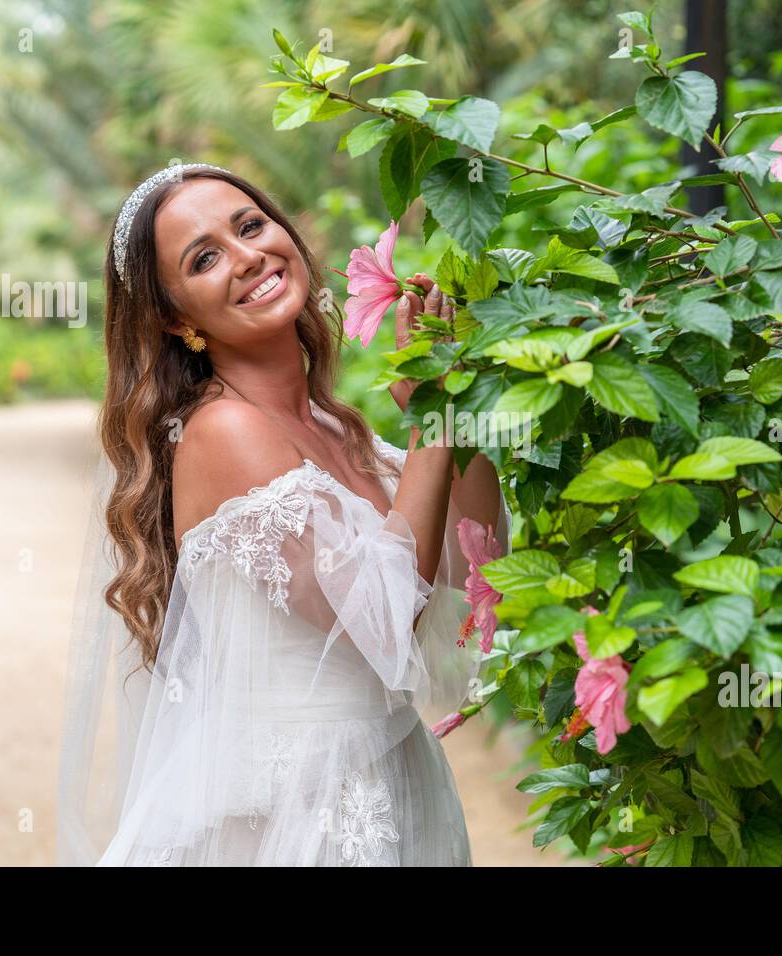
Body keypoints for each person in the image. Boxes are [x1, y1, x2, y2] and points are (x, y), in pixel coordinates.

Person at [56, 163, 510, 865]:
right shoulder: (222, 434)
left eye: (250, 225)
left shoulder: (337, 427)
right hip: (301, 820)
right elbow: (388, 624)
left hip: (396, 787)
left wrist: (455, 406)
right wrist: (432, 424)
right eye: (204, 258)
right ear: (176, 318)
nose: (246, 257)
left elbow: (481, 563)